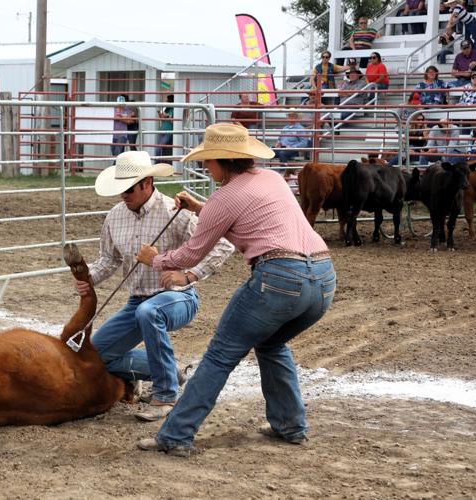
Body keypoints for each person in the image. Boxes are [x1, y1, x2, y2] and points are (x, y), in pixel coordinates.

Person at [134, 123, 335, 456]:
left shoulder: (224, 198)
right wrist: (202, 208)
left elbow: (190, 255)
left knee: (219, 356)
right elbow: (248, 216)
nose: (205, 166)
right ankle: (290, 425)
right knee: (271, 343)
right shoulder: (271, 178)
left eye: (208, 160)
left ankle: (175, 436)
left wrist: (156, 260)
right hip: (323, 277)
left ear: (223, 161)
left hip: (278, 279)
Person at [76, 150, 234, 422]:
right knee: (95, 355)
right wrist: (87, 278)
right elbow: (108, 260)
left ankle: (165, 394)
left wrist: (190, 275)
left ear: (147, 183)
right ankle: (170, 372)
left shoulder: (176, 212)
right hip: (138, 302)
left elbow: (223, 244)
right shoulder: (115, 216)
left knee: (149, 312)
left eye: (128, 188)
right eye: (120, 189)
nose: (123, 195)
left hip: (178, 297)